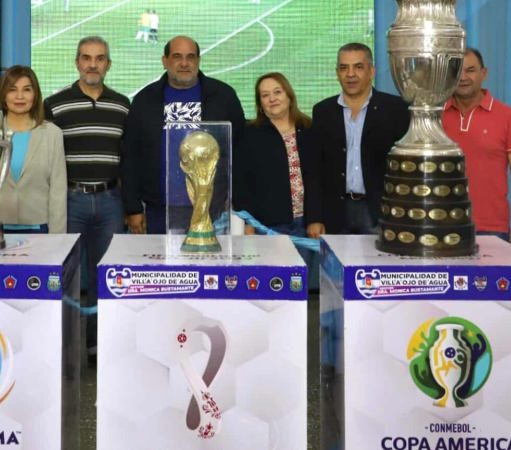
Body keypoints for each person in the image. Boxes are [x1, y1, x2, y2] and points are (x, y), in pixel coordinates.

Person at [44, 36, 129, 363]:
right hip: (70, 201)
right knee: (65, 276)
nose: (93, 64)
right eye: (86, 58)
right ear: (77, 62)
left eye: (100, 58)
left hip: (110, 200)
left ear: (108, 64)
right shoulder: (55, 105)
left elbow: (128, 157)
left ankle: (97, 349)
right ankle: (63, 352)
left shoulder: (122, 105)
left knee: (106, 277)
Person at [122, 36, 245, 235]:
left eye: (190, 57)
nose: (184, 63)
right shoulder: (145, 100)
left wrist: (236, 202)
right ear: (165, 61)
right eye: (177, 57)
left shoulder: (223, 96)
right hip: (158, 211)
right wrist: (132, 207)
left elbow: (240, 151)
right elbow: (130, 156)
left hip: (212, 209)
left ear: (198, 60)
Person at [235, 73, 324, 286]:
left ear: (289, 96)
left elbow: (319, 177)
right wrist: (249, 224)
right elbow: (243, 183)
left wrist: (316, 218)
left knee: (298, 287)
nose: (272, 99)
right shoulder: (250, 134)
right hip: (267, 227)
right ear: (260, 104)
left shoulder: (309, 129)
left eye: (277, 92)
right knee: (273, 287)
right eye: (265, 95)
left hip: (304, 225)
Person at [312, 42, 409, 235]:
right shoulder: (323, 111)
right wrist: (314, 217)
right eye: (343, 68)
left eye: (358, 67)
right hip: (335, 215)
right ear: (337, 73)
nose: (350, 74)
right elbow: (315, 170)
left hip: (380, 214)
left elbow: (405, 169)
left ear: (371, 71)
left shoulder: (395, 109)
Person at [443, 48, 511, 244]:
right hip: (440, 226)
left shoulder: (507, 116)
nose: (463, 77)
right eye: (457, 71)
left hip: (492, 229)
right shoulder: (434, 117)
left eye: (471, 70)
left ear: (484, 74)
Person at [0, 65, 66, 234]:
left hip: (39, 228)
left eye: (26, 90)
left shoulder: (52, 134)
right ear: (3, 95)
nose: (20, 96)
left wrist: (57, 239)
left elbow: (58, 192)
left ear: (35, 95)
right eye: (12, 89)